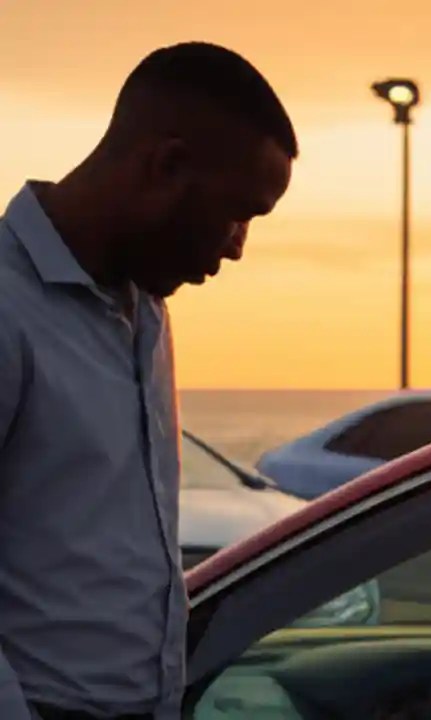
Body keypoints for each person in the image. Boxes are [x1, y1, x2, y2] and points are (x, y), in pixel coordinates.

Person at [0, 42, 296, 719]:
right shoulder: (7, 309)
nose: (237, 246)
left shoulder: (145, 314)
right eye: (237, 213)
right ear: (165, 166)